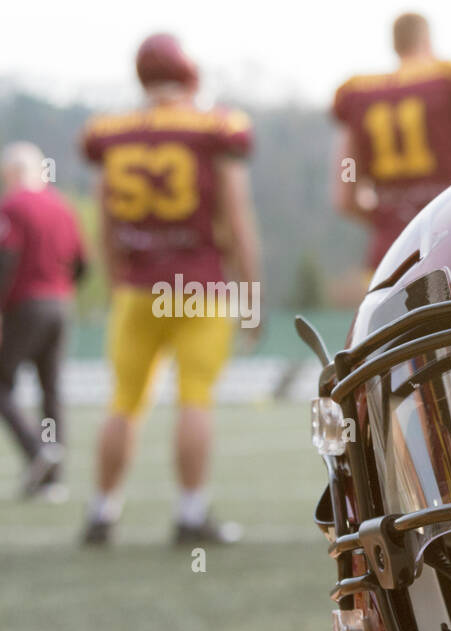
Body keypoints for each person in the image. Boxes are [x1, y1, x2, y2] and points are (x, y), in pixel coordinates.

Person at [80, 33, 261, 546]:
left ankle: (101, 511)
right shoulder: (214, 128)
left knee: (124, 400)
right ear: (190, 75)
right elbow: (237, 216)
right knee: (195, 398)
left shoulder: (111, 132)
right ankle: (189, 513)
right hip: (198, 283)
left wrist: (116, 276)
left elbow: (106, 220)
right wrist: (251, 293)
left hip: (138, 287)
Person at [332, 12, 451, 271]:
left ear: (395, 45)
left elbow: (346, 185)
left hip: (391, 248)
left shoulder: (358, 93)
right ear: (427, 40)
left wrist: (387, 212)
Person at [0, 141, 86, 501]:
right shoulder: (62, 206)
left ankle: (38, 452)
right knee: (51, 389)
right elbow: (82, 262)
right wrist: (63, 291)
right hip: (60, 304)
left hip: (24, 304)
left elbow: (6, 258)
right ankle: (53, 477)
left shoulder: (12, 206)